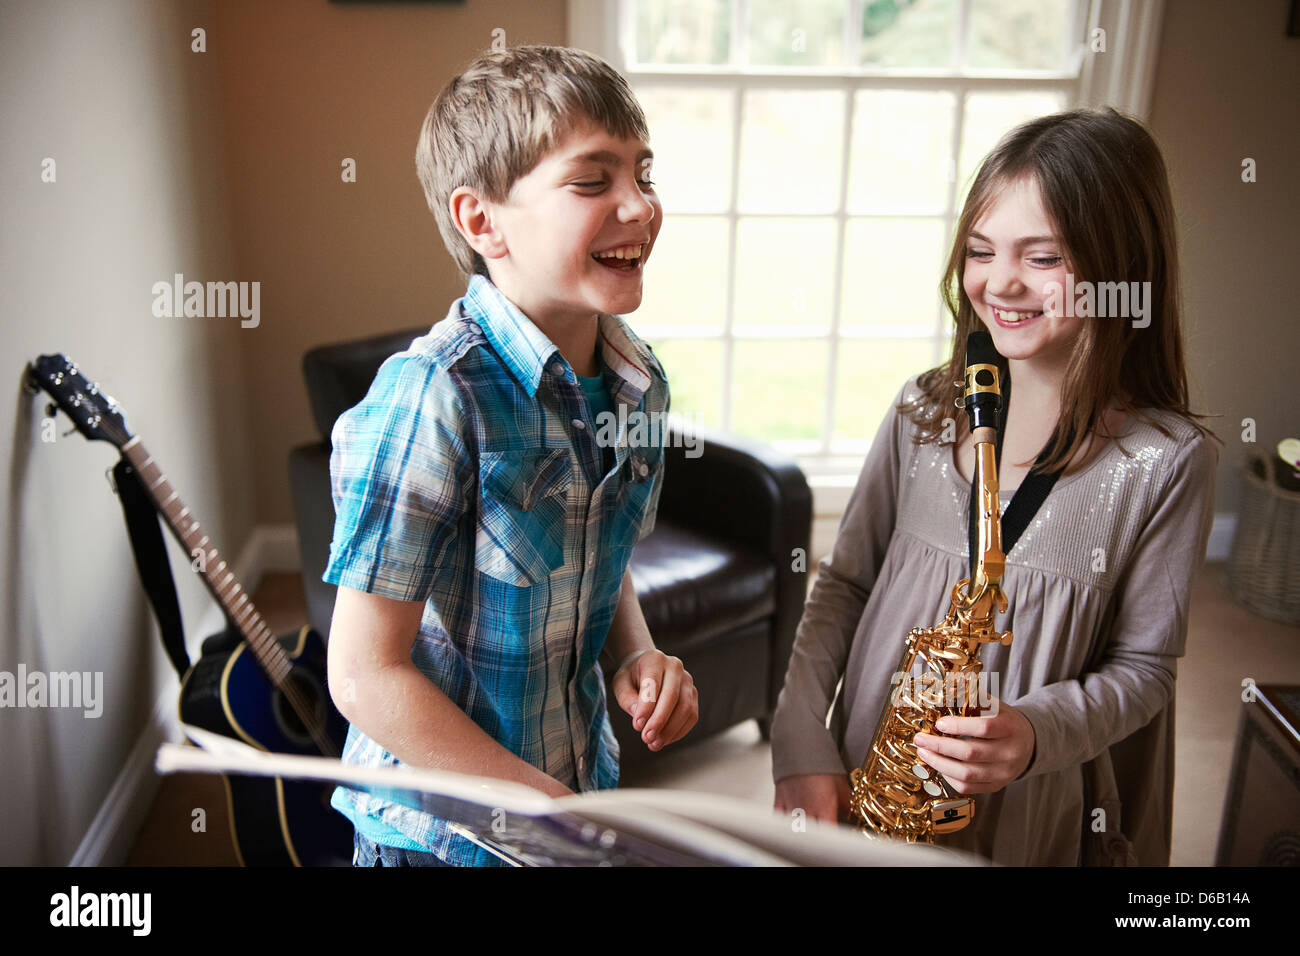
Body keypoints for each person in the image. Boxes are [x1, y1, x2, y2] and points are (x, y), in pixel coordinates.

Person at [771, 107, 1218, 866]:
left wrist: (1036, 731)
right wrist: (799, 732)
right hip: (870, 769)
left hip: (1027, 803)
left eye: (1043, 258)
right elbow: (844, 583)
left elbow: (1145, 673)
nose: (1000, 282)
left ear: (1122, 270)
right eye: (980, 251)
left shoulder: (1167, 460)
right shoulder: (922, 411)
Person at [323, 45, 698, 867]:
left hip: (574, 785)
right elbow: (363, 675)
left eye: (645, 174)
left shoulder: (640, 383)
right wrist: (536, 805)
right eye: (592, 181)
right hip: (439, 834)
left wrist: (635, 652)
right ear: (481, 220)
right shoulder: (434, 397)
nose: (638, 206)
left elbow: (599, 546)